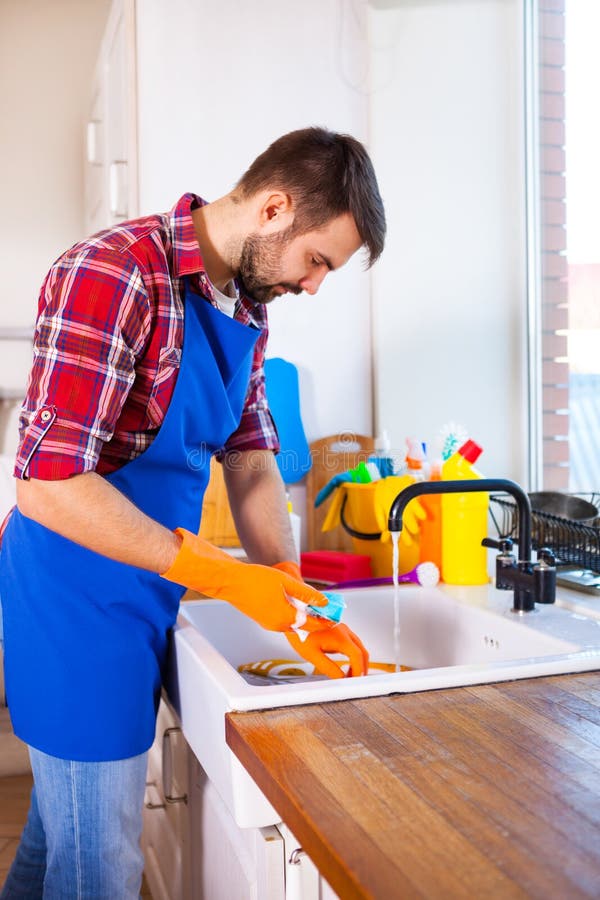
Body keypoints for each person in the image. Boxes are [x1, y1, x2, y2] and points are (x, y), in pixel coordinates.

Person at [0, 126, 386, 897]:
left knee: (58, 836)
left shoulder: (245, 302)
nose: (314, 285)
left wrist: (287, 584)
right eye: (318, 261)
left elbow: (250, 461)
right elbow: (45, 482)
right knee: (101, 868)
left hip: (147, 586)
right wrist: (214, 570)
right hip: (73, 598)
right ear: (275, 208)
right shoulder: (112, 273)